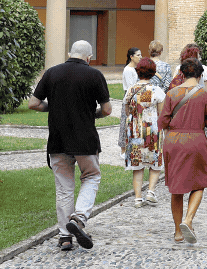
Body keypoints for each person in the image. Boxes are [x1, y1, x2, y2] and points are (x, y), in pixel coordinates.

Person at [28, 40, 112, 251]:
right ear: (89, 57)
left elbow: (33, 103)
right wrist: (94, 114)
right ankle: (79, 218)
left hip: (58, 140)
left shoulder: (52, 73)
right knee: (91, 176)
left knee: (64, 188)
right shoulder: (95, 75)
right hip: (85, 140)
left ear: (69, 53)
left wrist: (53, 106)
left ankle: (65, 237)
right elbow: (108, 109)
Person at [159, 58, 207, 244]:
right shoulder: (206, 93)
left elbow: (162, 122)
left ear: (182, 74)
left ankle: (178, 232)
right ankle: (188, 219)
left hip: (174, 141)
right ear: (200, 74)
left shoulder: (171, 93)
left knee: (176, 188)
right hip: (196, 140)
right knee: (198, 183)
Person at [122, 57, 166, 208]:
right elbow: (162, 114)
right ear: (153, 73)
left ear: (138, 71)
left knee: (137, 164)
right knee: (155, 163)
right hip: (152, 130)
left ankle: (138, 198)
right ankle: (151, 192)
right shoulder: (157, 91)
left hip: (135, 131)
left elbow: (127, 111)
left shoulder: (131, 90)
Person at [117, 47, 144, 158]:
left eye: (141, 55)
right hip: (129, 100)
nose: (140, 57)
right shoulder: (128, 70)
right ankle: (123, 150)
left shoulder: (136, 69)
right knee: (125, 123)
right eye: (138, 55)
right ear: (131, 57)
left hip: (136, 99)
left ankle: (133, 147)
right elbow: (130, 88)